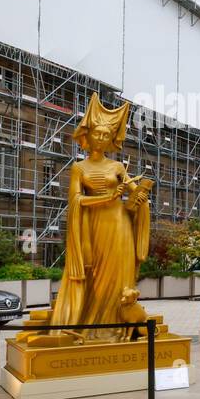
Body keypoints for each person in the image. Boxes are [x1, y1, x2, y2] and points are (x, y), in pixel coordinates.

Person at [50, 94, 150, 341]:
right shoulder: (79, 168)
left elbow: (132, 192)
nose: (102, 138)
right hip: (93, 226)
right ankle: (90, 324)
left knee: (119, 275)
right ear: (88, 135)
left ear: (111, 139)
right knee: (96, 276)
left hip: (119, 224)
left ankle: (117, 326)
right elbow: (76, 200)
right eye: (98, 133)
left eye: (107, 135)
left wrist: (140, 194)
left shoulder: (117, 167)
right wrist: (105, 199)